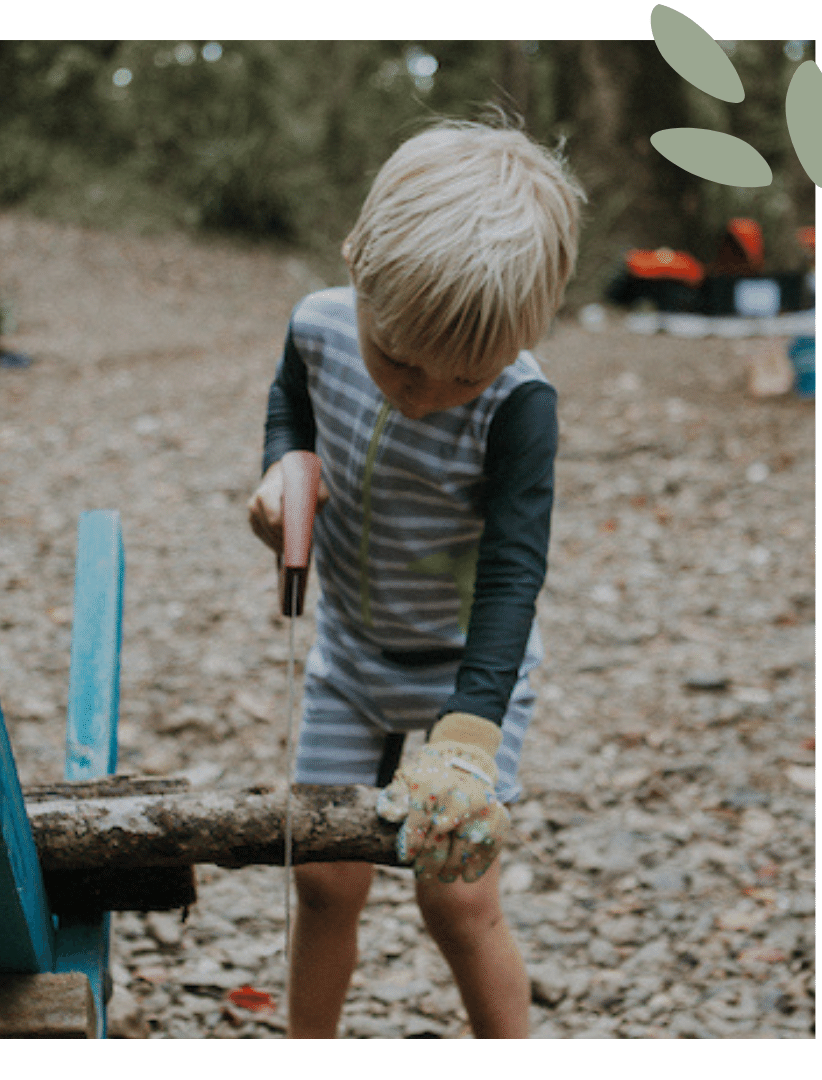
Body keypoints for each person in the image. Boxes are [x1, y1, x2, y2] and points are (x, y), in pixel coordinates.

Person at [247, 113, 585, 1039]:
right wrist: (284, 467)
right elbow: (292, 406)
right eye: (396, 358)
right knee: (321, 879)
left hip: (467, 678)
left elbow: (515, 576)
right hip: (350, 660)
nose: (422, 392)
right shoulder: (318, 326)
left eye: (460, 379)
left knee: (456, 903)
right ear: (358, 262)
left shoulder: (519, 404)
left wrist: (468, 737)